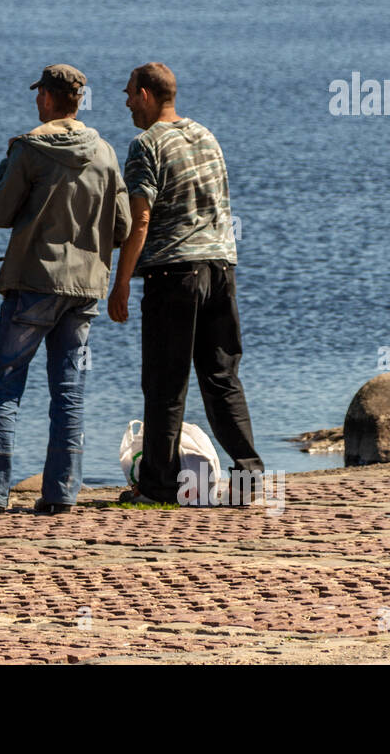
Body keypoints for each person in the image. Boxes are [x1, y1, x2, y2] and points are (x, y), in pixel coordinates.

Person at [0, 64, 131, 516]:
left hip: (34, 285)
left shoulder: (29, 149)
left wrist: (7, 162)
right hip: (85, 289)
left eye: (39, 94)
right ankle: (61, 494)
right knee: (68, 393)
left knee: (3, 387)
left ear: (47, 98)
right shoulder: (104, 152)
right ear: (79, 101)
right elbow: (122, 228)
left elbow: (1, 213)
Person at [107, 62, 265, 505]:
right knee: (222, 377)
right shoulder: (207, 136)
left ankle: (158, 486)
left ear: (144, 94)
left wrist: (120, 283)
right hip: (220, 267)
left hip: (172, 274)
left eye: (127, 94)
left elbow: (140, 219)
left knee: (164, 382)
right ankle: (250, 476)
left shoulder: (146, 144)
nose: (124, 103)